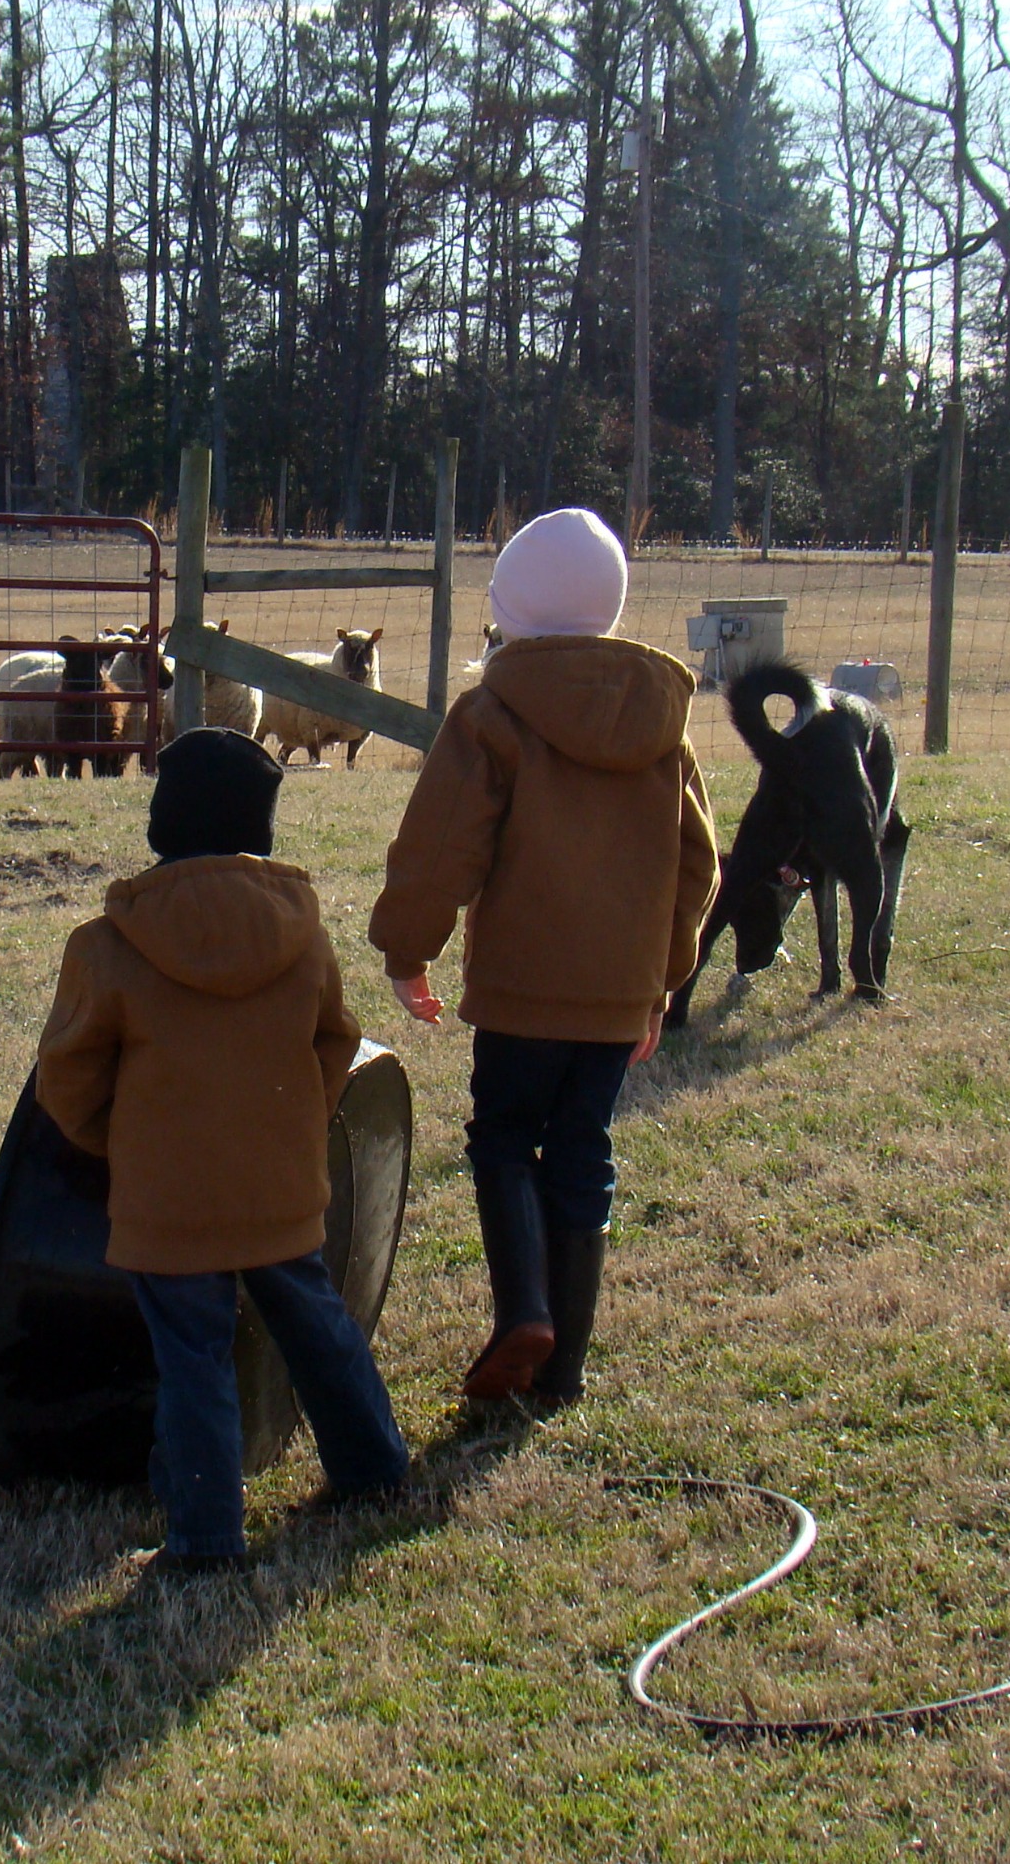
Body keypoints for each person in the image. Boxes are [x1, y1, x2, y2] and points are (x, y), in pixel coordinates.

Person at [369, 508, 719, 1410]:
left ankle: (524, 1310)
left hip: (524, 987)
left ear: (510, 606)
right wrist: (661, 982)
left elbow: (444, 844)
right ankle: (564, 1370)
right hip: (616, 999)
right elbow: (697, 864)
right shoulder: (661, 722)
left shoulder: (493, 713)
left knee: (501, 1138)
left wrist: (408, 950)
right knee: (582, 1148)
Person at [36, 728, 410, 1570]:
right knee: (317, 1325)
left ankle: (205, 1540)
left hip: (167, 1195)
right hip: (279, 1181)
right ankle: (375, 1468)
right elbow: (336, 1045)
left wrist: (120, 1145)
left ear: (162, 822)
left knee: (193, 1359)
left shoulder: (107, 946)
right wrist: (289, 1131)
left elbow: (67, 1077)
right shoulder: (302, 933)